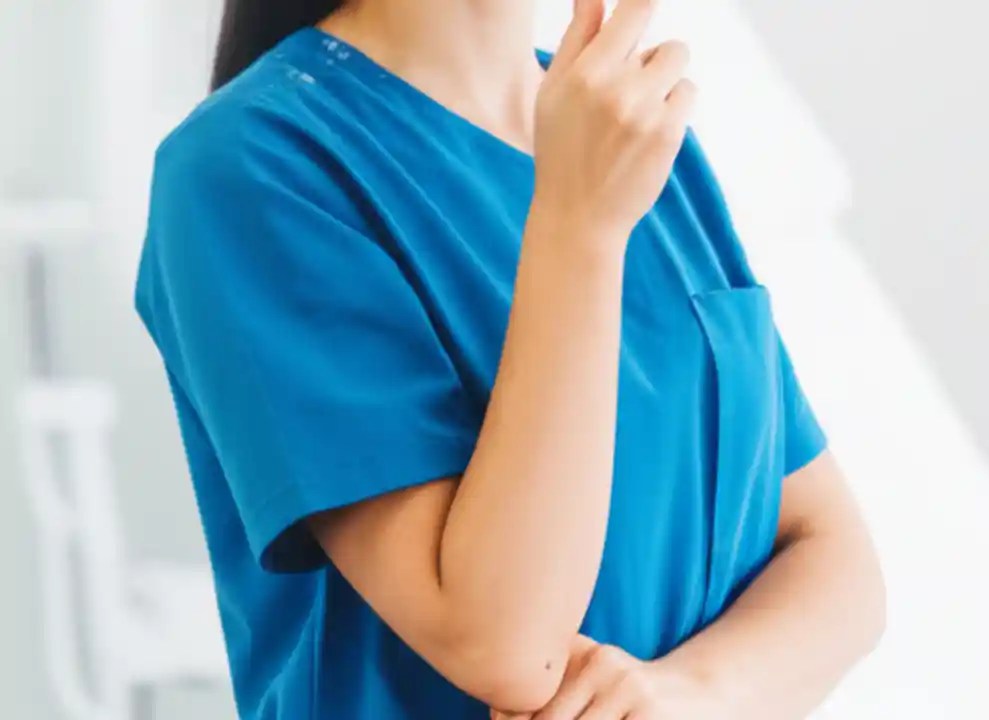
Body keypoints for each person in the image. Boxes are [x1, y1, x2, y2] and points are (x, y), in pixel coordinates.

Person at [132, 0, 885, 717]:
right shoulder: (249, 169)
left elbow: (838, 564)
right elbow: (504, 644)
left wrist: (691, 697)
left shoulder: (632, 134)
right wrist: (578, 226)